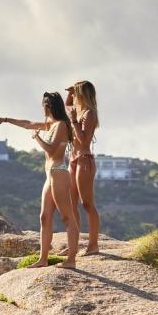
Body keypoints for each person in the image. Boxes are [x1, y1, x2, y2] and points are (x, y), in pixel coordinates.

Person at [0, 91, 80, 264]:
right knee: (44, 217)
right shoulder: (51, 124)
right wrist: (6, 119)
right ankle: (43, 259)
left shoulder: (61, 125)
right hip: (50, 175)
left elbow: (51, 150)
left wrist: (37, 137)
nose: (42, 109)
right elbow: (28, 124)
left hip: (59, 173)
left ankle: (71, 259)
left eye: (43, 106)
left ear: (48, 106)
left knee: (67, 217)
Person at [65, 80, 101, 255]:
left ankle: (93, 245)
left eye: (76, 93)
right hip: (73, 160)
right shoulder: (78, 111)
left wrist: (74, 121)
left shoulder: (89, 114)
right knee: (70, 205)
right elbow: (67, 106)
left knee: (86, 204)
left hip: (84, 160)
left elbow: (84, 141)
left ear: (83, 95)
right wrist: (69, 93)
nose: (74, 96)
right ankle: (73, 245)